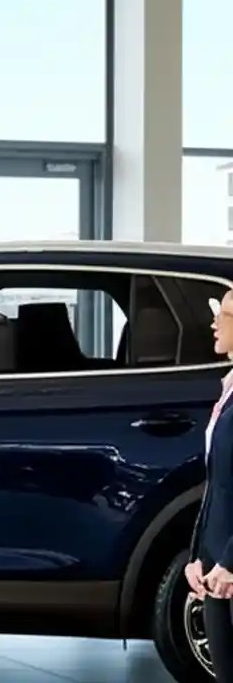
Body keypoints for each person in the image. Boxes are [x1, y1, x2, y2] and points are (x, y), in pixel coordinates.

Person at [187, 289, 233, 679]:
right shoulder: (228, 389)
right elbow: (217, 483)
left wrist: (230, 563)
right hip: (217, 565)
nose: (215, 321)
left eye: (227, 314)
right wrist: (198, 555)